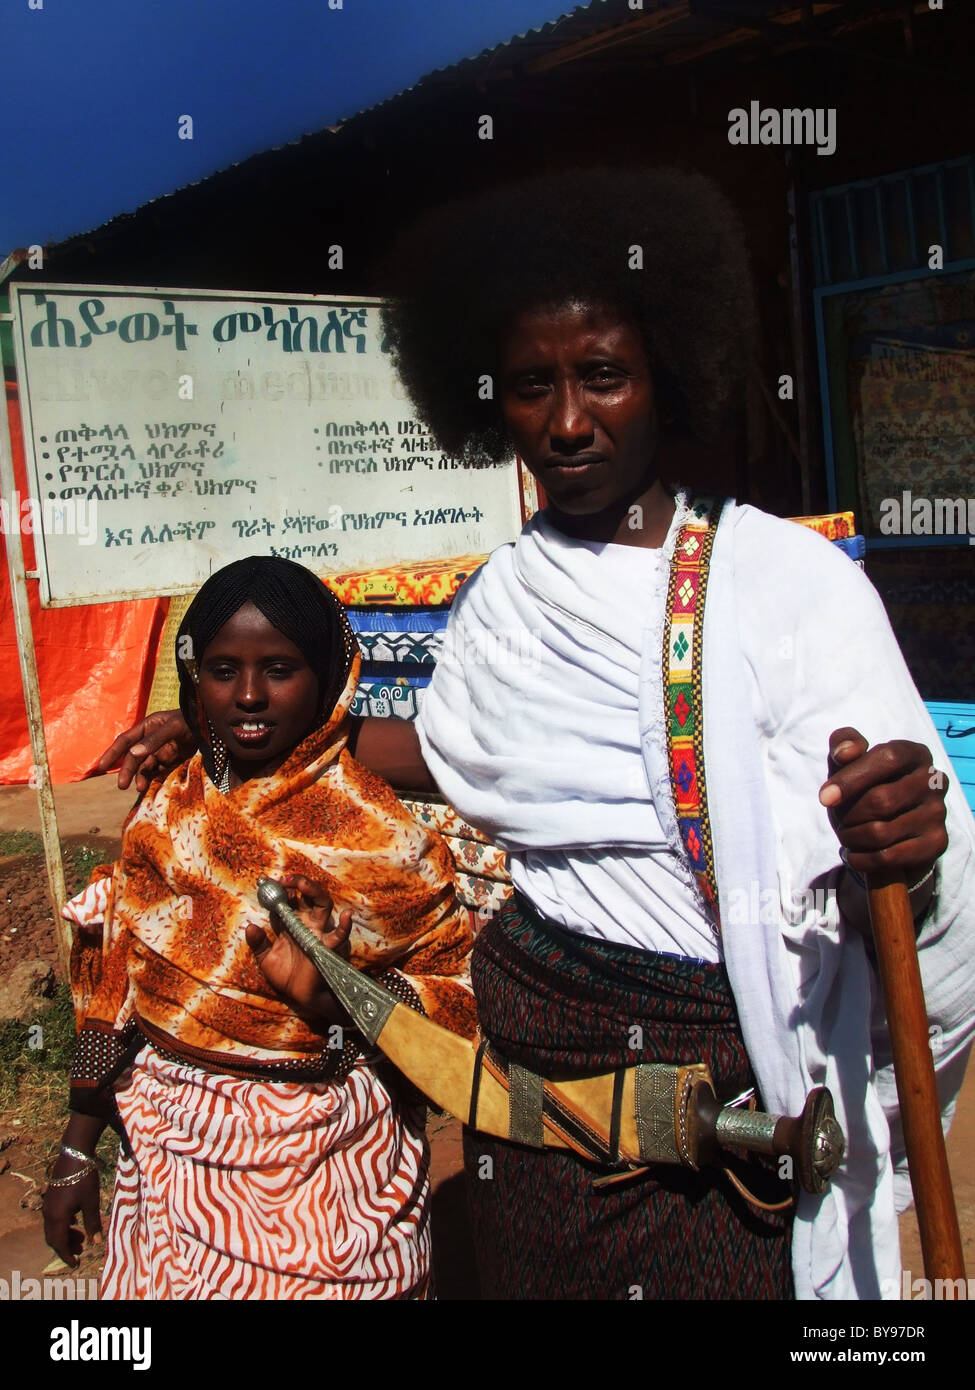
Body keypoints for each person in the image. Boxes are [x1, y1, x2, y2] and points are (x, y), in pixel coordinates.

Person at [99, 169, 975, 1301]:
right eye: (530, 386)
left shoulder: (788, 585)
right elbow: (446, 749)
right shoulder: (501, 598)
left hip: (717, 1116)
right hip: (523, 1114)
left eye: (602, 376)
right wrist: (219, 726)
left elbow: (919, 879)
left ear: (668, 372)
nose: (566, 421)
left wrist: (909, 842)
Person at [44, 555, 476, 1299]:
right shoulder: (168, 809)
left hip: (330, 1178)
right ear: (194, 681)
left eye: (279, 669)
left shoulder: (386, 840)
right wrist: (78, 1145)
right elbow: (116, 983)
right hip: (170, 1170)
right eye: (222, 671)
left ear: (330, 677)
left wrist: (338, 999)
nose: (248, 695)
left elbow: (458, 1002)